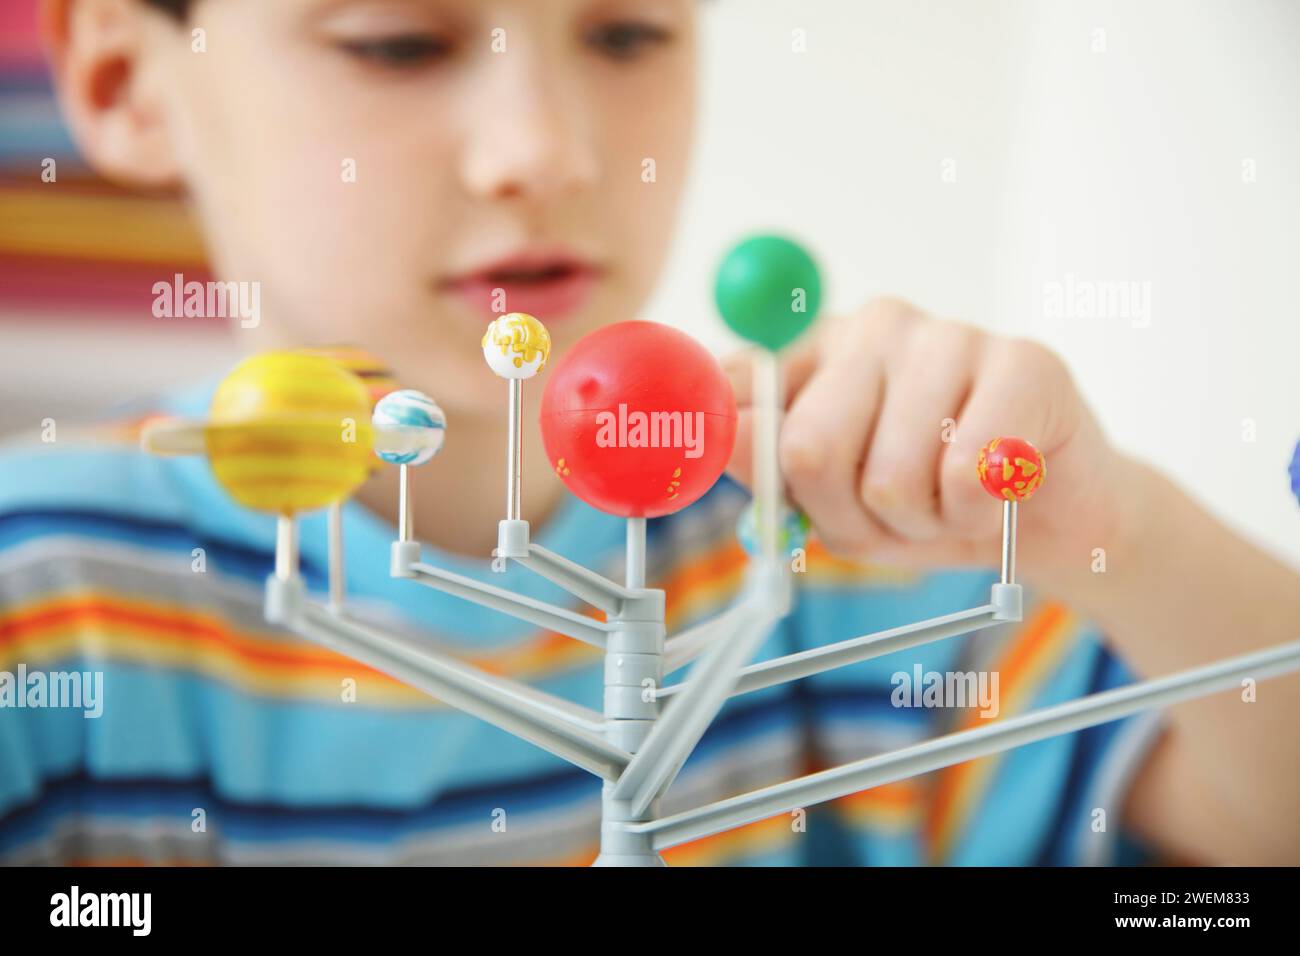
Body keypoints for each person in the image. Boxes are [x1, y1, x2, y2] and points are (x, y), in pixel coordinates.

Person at [1, 0, 1296, 866]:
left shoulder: (836, 550)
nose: (544, 149)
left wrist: (1115, 527)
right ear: (127, 84)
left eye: (626, 31)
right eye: (398, 41)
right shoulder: (41, 603)